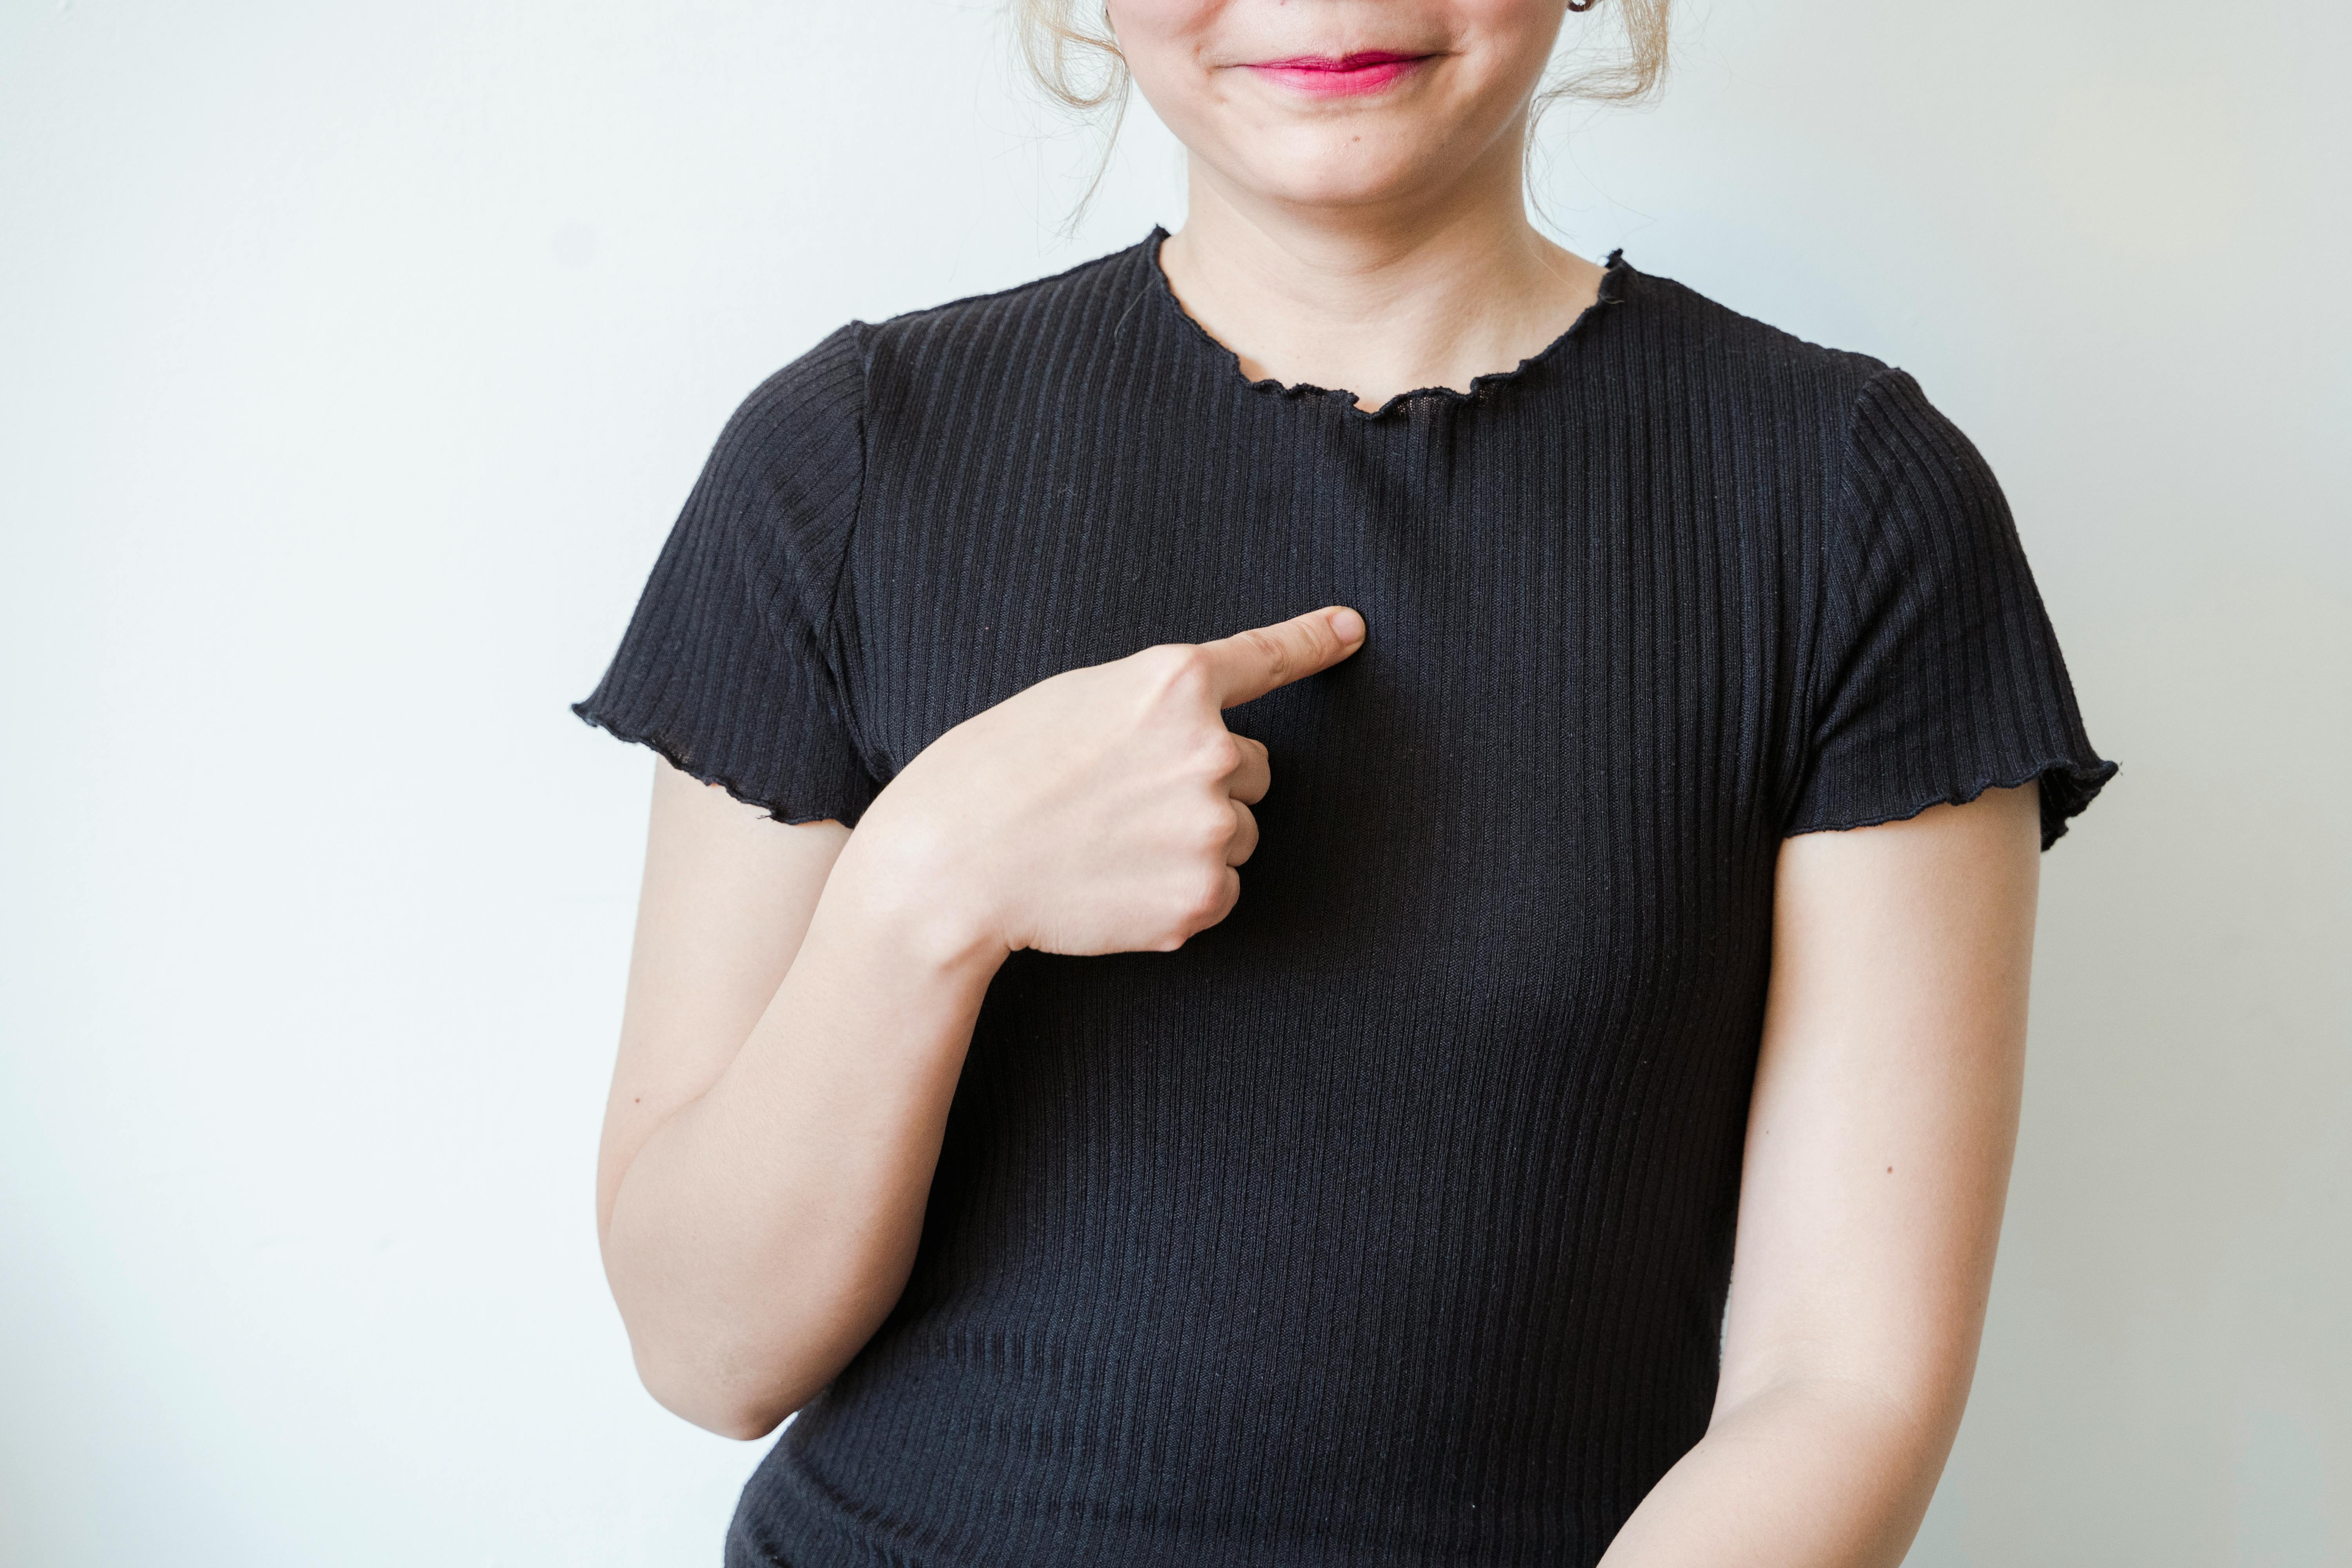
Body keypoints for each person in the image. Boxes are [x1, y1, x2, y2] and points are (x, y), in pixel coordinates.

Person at [569, 2, 2116, 1563]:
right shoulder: (841, 464)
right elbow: (708, 1354)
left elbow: (1839, 1385)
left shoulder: (1850, 506)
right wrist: (925, 892)